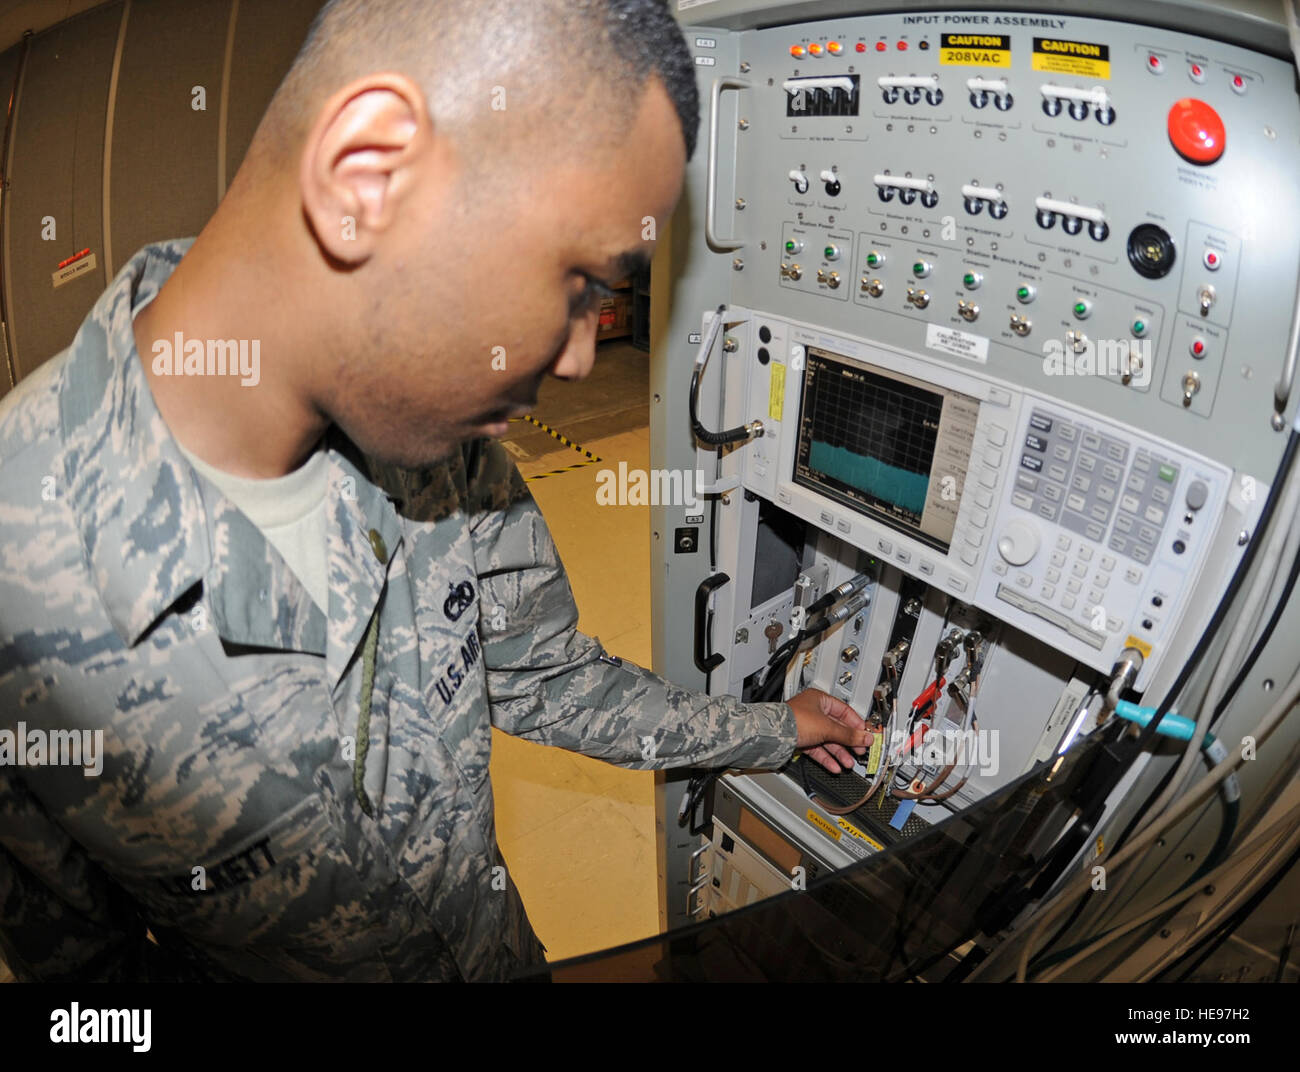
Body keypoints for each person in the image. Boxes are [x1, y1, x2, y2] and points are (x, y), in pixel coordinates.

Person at [0, 0, 870, 982]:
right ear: (368, 174)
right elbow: (77, 971)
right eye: (581, 282)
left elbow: (547, 679)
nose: (585, 358)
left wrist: (763, 729)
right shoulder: (18, 580)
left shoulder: (437, 443)